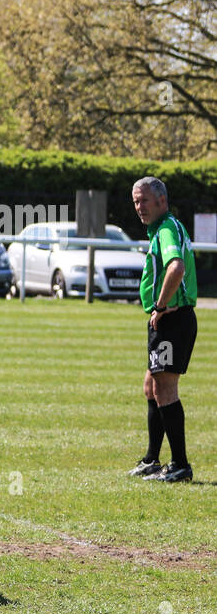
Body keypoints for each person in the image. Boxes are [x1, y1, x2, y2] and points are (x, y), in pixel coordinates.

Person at [128, 176, 198, 483]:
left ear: (162, 202)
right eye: (135, 201)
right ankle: (152, 460)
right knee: (151, 387)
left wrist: (159, 305)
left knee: (165, 390)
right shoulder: (162, 229)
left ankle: (180, 465)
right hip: (168, 319)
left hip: (171, 320)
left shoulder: (167, 229)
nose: (139, 207)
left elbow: (176, 267)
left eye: (144, 200)